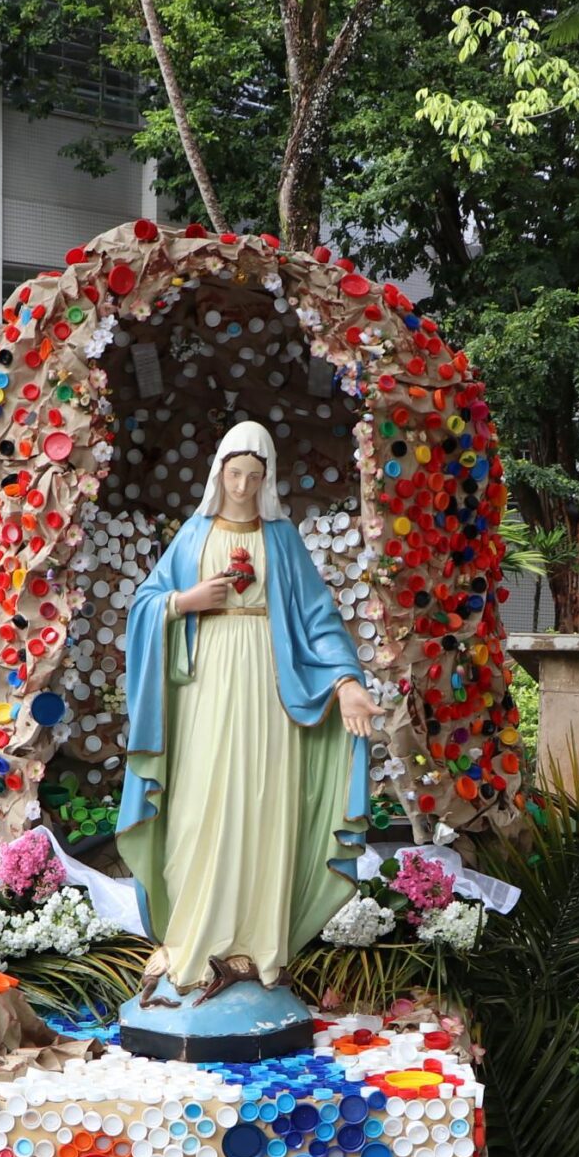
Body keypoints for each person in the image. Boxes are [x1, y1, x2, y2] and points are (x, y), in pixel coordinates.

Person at [118, 419, 381, 1002]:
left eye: (253, 476)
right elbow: (143, 607)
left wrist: (343, 683)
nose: (242, 485)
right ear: (218, 473)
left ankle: (259, 951)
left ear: (267, 480)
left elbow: (319, 619)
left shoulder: (281, 541)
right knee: (195, 807)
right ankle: (190, 946)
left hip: (268, 686)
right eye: (233, 473)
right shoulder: (193, 535)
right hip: (203, 686)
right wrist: (184, 601)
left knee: (263, 803)